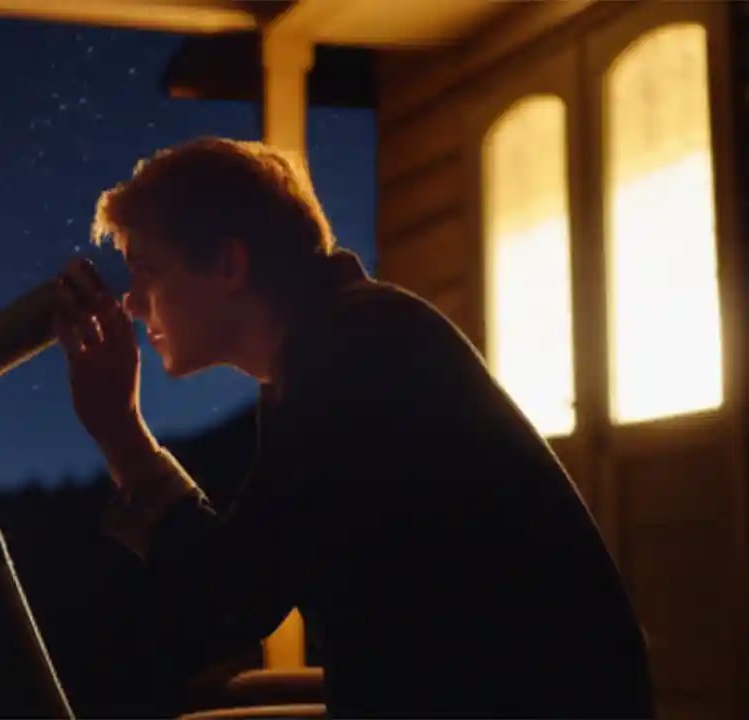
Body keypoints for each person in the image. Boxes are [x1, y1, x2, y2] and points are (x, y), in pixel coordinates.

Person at [50, 137, 655, 718]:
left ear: (230, 265)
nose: (131, 302)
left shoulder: (353, 353)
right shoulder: (337, 343)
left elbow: (227, 603)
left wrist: (120, 430)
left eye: (148, 269)